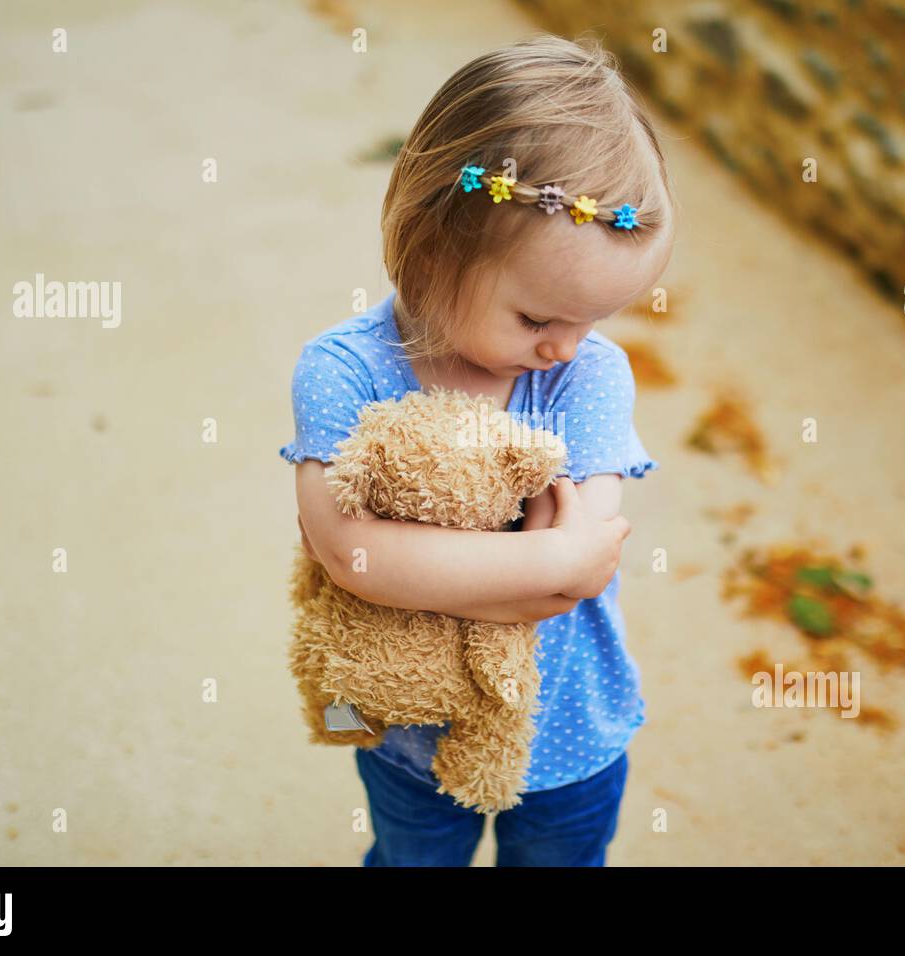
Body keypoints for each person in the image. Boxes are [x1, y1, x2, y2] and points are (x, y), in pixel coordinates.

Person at [282, 33, 676, 866]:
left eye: (593, 319)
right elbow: (350, 554)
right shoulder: (344, 371)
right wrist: (536, 569)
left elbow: (576, 571)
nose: (567, 347)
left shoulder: (588, 376)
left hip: (569, 728)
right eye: (538, 319)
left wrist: (425, 571)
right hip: (408, 734)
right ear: (431, 251)